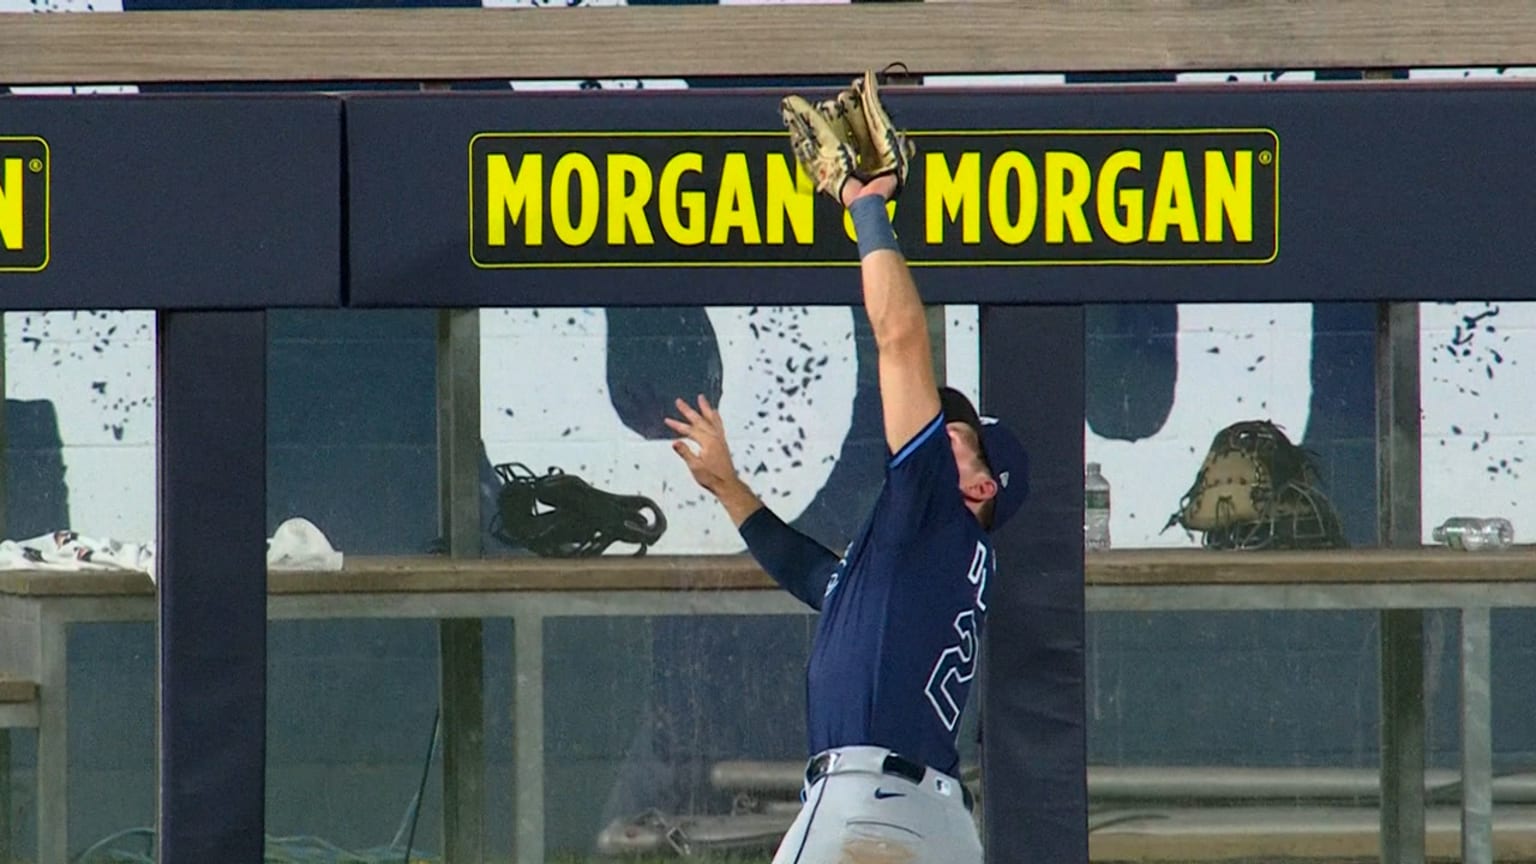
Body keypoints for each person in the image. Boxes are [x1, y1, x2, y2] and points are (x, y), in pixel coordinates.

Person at [663, 72, 1029, 864]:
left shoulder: (936, 505)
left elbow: (898, 338)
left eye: (958, 433)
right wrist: (731, 490)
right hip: (930, 818)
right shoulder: (922, 564)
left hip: (869, 808)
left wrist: (865, 204)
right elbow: (818, 579)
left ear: (982, 484)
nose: (939, 427)